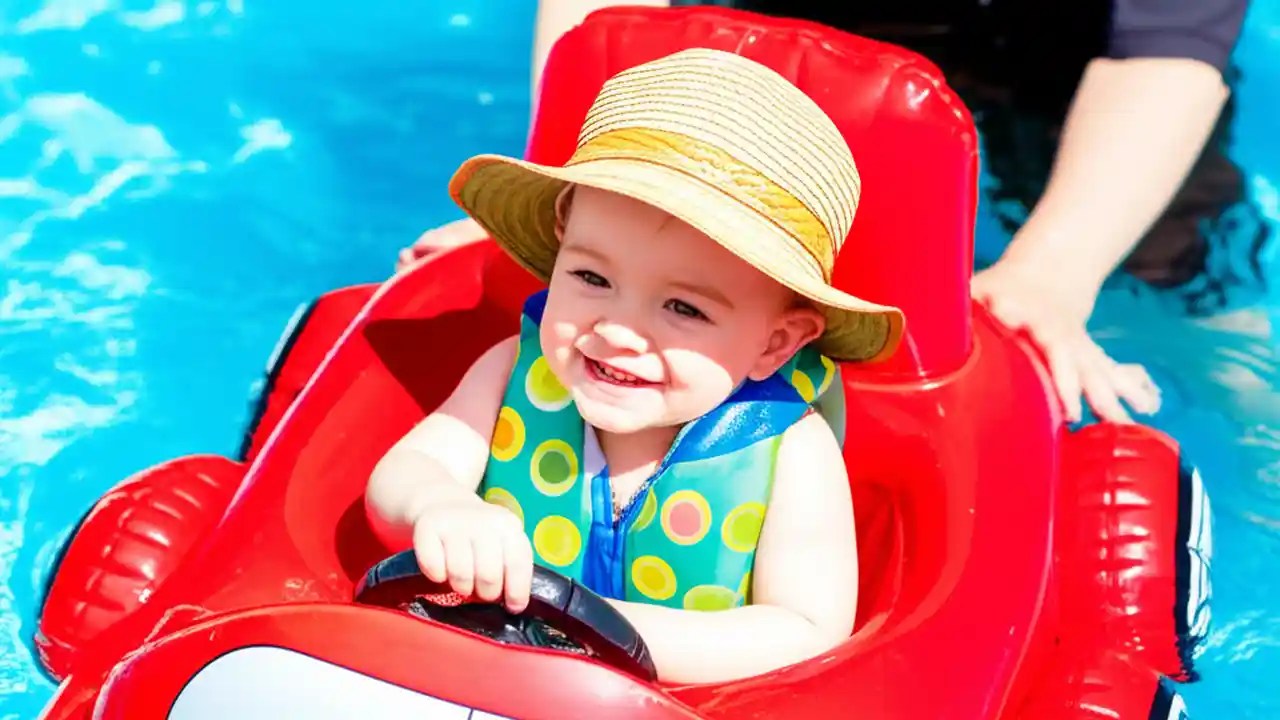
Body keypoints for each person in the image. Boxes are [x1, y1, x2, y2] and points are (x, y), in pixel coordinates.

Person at [396, 0, 1258, 428]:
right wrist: (576, 181)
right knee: (684, 244)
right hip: (776, 38)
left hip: (1063, 64)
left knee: (1186, 286)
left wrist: (1053, 271)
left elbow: (1166, 51)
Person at [368, 48, 895, 684]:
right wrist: (437, 506)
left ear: (775, 344)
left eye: (684, 308)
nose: (616, 330)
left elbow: (806, 631)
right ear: (562, 242)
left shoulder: (790, 451)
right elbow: (402, 474)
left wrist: (599, 629)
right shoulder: (515, 374)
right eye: (592, 276)